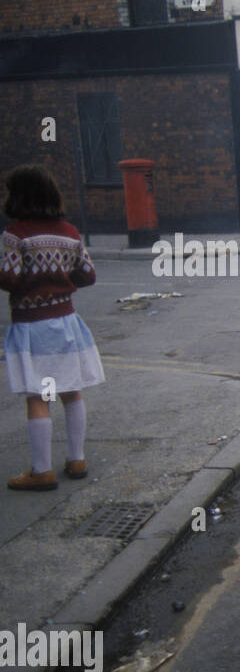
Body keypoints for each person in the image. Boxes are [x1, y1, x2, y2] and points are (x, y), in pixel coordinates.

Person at [2, 165, 105, 492]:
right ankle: (77, 459)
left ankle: (42, 471)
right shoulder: (70, 232)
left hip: (32, 325)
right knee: (71, 390)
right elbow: (88, 275)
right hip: (67, 321)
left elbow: (8, 279)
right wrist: (61, 281)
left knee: (38, 395)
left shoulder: (15, 235)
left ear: (19, 196)